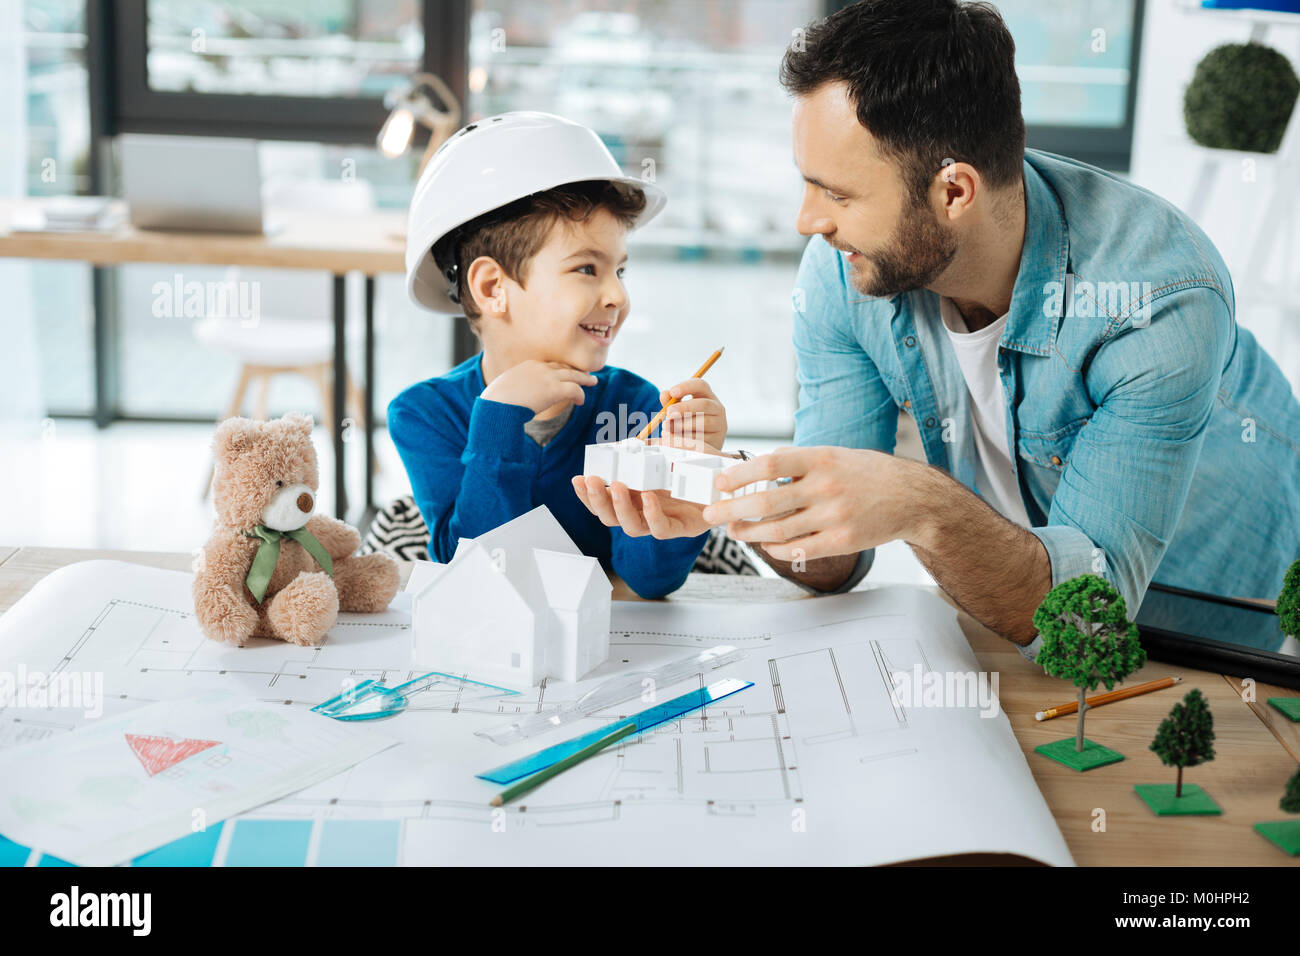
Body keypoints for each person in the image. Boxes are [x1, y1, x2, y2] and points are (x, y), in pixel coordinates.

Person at [576, 0, 1300, 658]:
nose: (808, 221)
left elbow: (1084, 621)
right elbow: (833, 566)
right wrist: (726, 500)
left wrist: (919, 503)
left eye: (836, 192)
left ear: (954, 191)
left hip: (1216, 598)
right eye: (806, 182)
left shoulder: (1156, 301)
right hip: (1029, 586)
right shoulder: (841, 271)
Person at [389, 111, 729, 599]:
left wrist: (680, 482)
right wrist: (498, 423)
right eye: (587, 268)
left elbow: (648, 583)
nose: (617, 296)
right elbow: (477, 572)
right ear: (492, 288)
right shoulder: (424, 414)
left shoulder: (636, 407)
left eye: (621, 271)